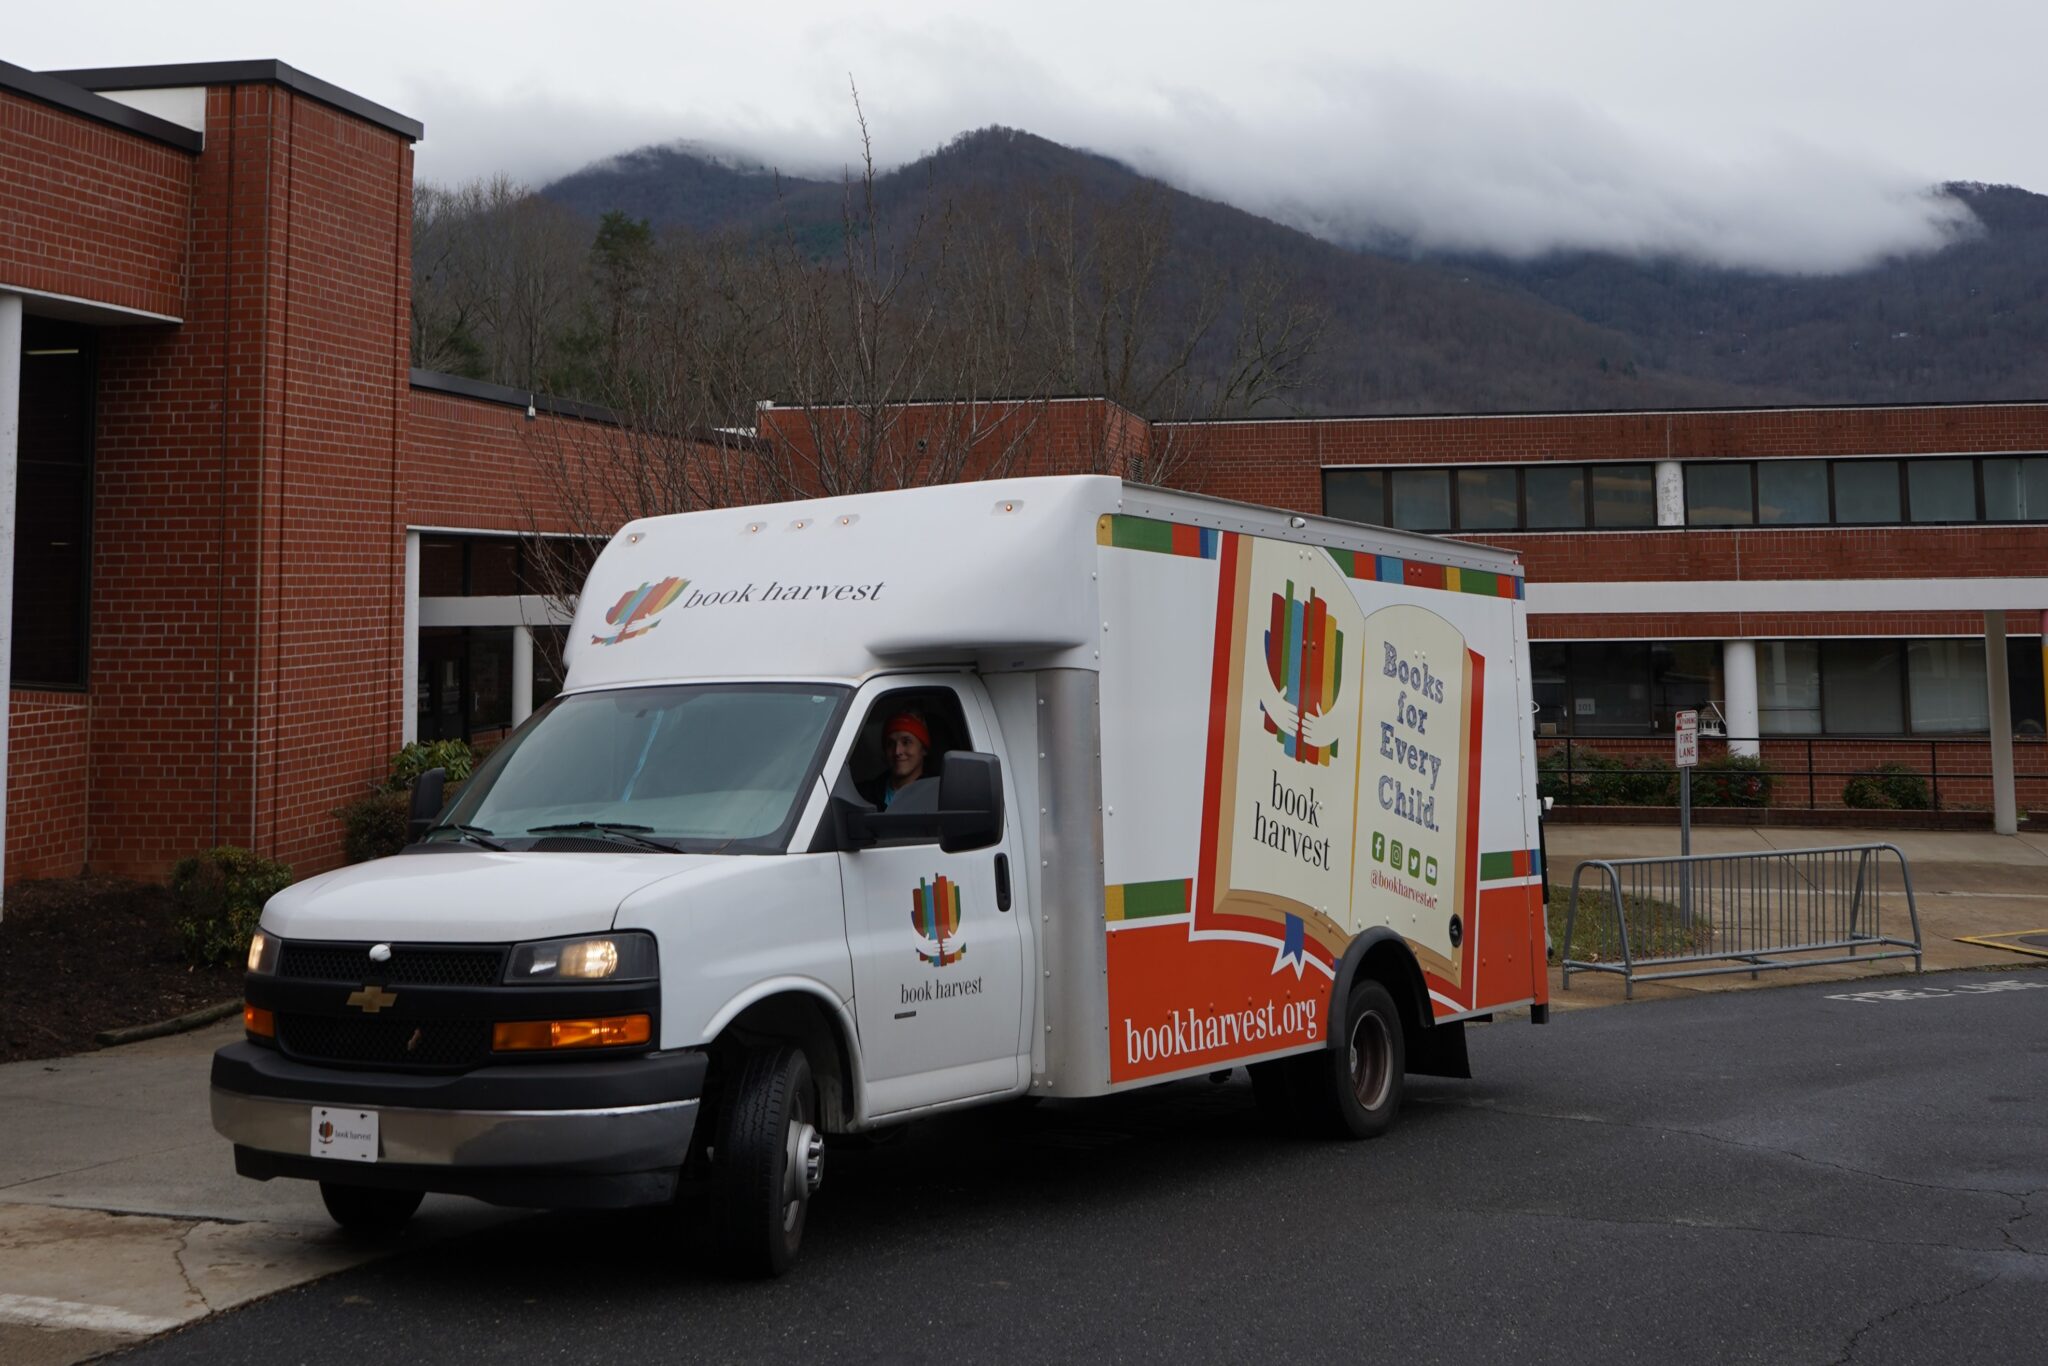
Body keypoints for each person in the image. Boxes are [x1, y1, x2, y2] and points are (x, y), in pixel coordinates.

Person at [861, 711, 933, 808]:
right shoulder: (864, 795)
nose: (897, 751)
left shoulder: (937, 794)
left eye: (906, 742)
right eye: (891, 743)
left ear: (923, 749)